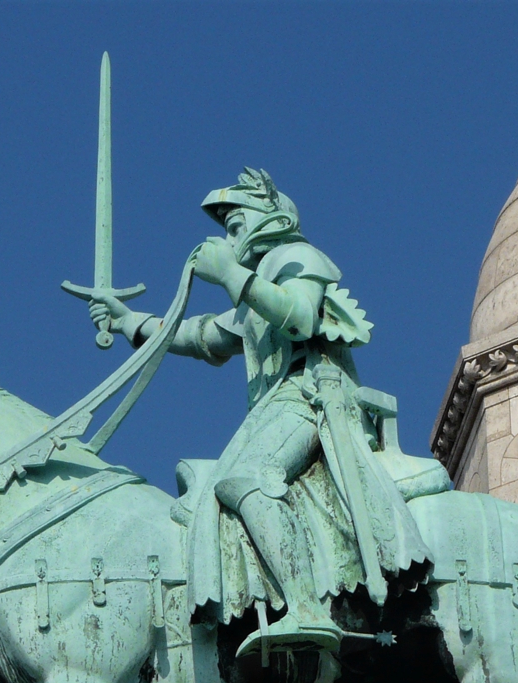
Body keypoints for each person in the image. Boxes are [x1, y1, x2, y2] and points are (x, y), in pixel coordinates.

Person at [88, 168, 427, 657]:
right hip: (274, 408)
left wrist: (231, 274)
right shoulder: (255, 288)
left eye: (235, 224)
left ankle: (307, 606)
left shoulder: (298, 257)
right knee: (210, 490)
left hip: (312, 395)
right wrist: (129, 323)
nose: (228, 237)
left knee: (246, 477)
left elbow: (302, 316)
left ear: (270, 218)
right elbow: (203, 336)